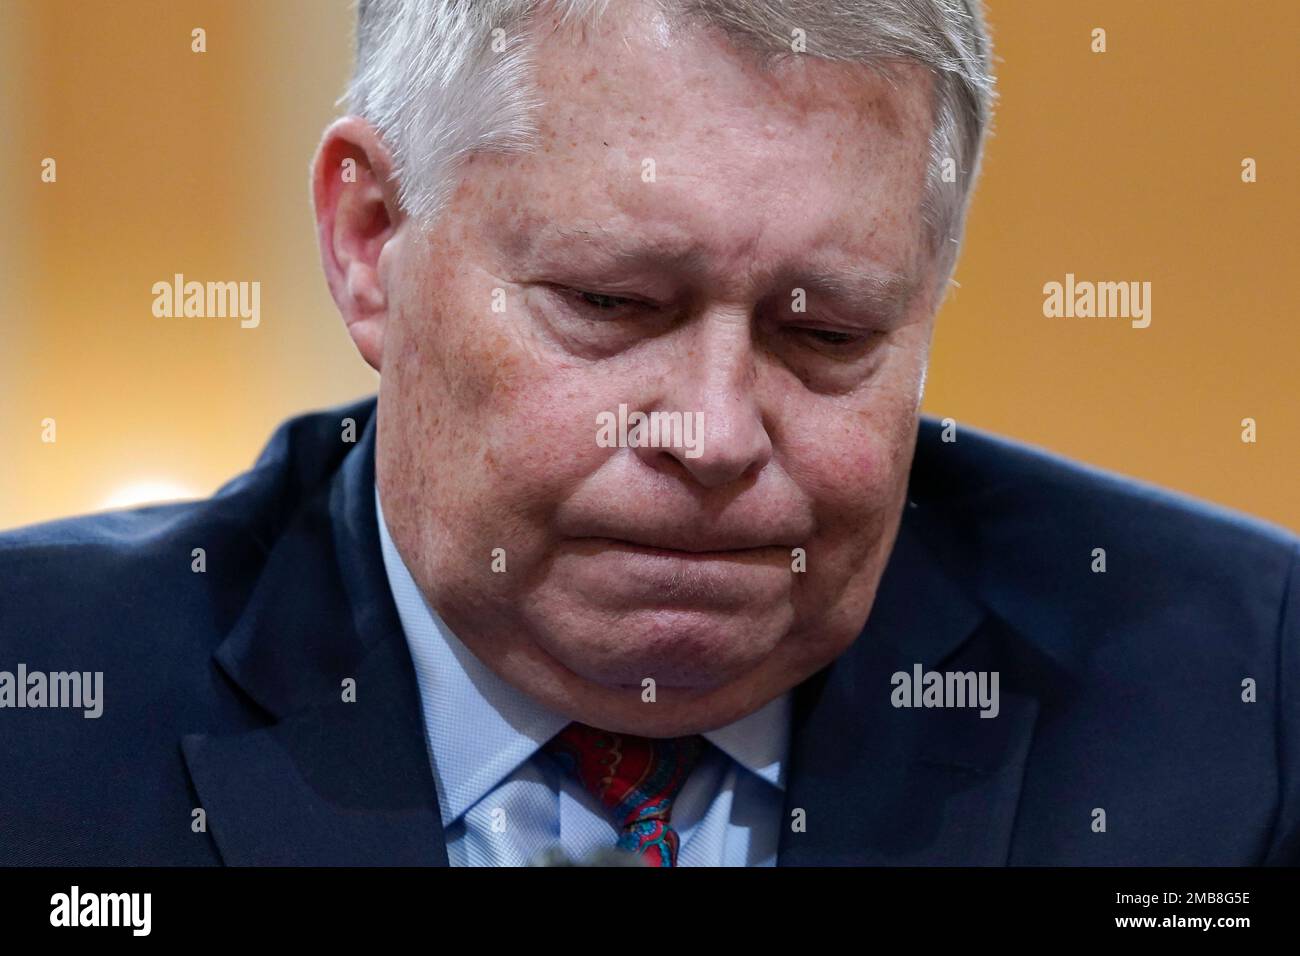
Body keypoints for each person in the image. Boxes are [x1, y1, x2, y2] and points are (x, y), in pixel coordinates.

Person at [1, 0, 1296, 867]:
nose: (716, 431)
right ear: (371, 241)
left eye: (830, 331)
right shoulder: (39, 706)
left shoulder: (1239, 698)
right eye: (613, 304)